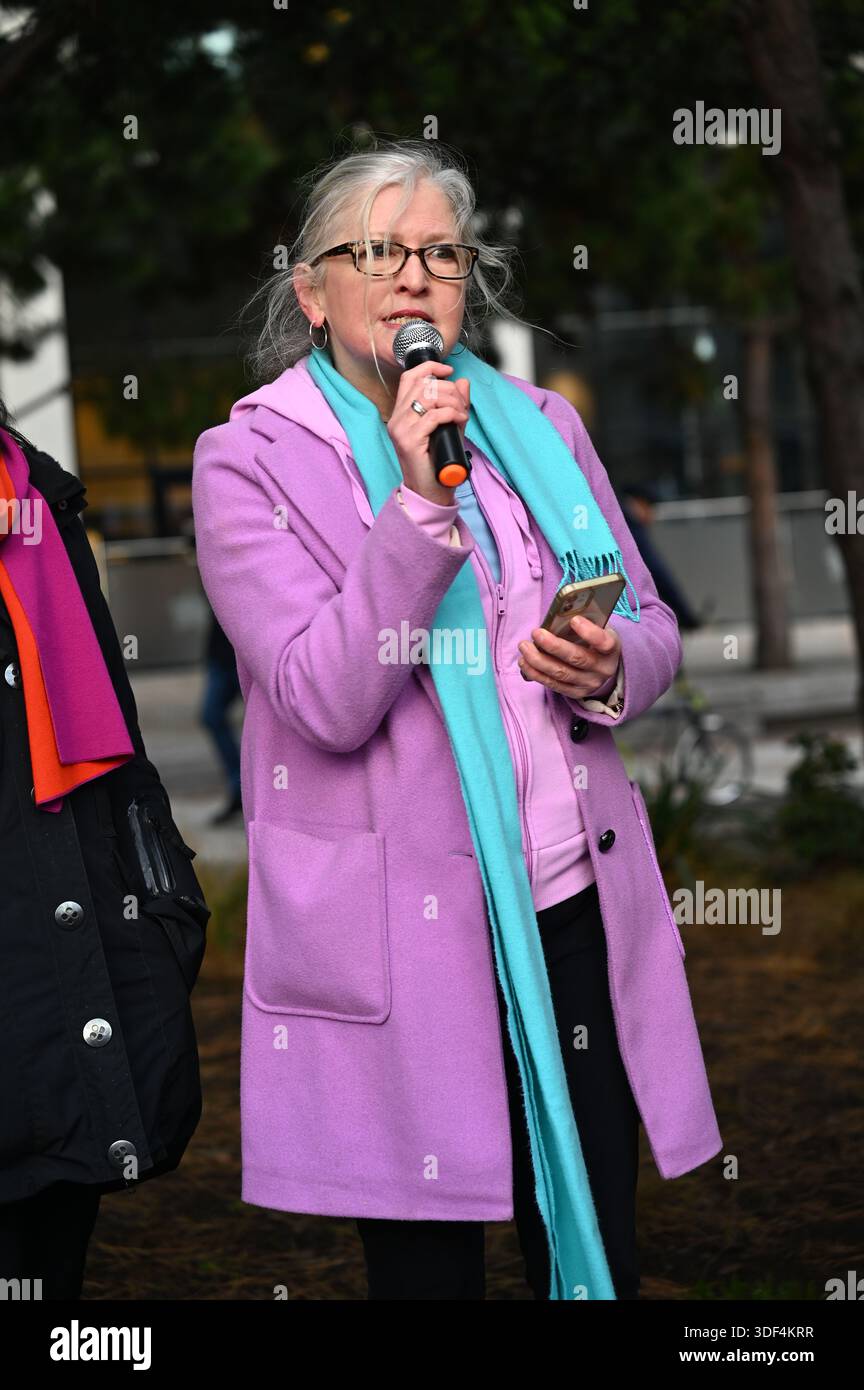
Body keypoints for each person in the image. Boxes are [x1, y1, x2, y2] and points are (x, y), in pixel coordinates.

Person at [192, 137, 722, 1301]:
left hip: (568, 902)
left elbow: (650, 624)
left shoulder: (535, 425)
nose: (413, 274)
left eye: (439, 251)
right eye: (375, 250)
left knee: (595, 1240)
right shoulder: (248, 462)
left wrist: (605, 662)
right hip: (400, 931)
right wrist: (419, 508)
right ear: (312, 291)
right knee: (431, 1271)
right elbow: (321, 698)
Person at [0, 401, 211, 1299]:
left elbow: (115, 759)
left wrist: (162, 915)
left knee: (48, 1258)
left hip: (63, 952)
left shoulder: (33, 496)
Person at [620, 483, 702, 632]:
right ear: (639, 504)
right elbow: (659, 573)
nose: (652, 517)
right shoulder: (629, 527)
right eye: (650, 509)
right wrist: (686, 615)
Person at [200, 609, 243, 824]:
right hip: (220, 654)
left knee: (268, 727)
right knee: (211, 716)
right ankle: (239, 787)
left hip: (245, 651)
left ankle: (259, 790)